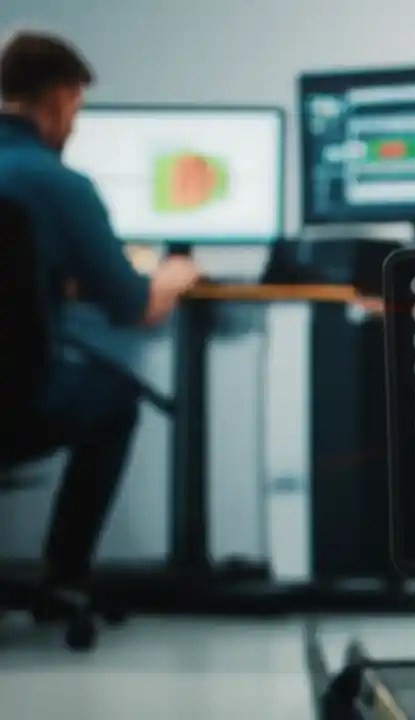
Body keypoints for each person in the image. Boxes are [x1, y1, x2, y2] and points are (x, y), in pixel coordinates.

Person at [0, 31, 201, 602]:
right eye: (77, 111)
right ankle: (65, 574)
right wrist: (174, 273)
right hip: (14, 407)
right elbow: (135, 306)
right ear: (62, 97)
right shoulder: (57, 183)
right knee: (114, 400)